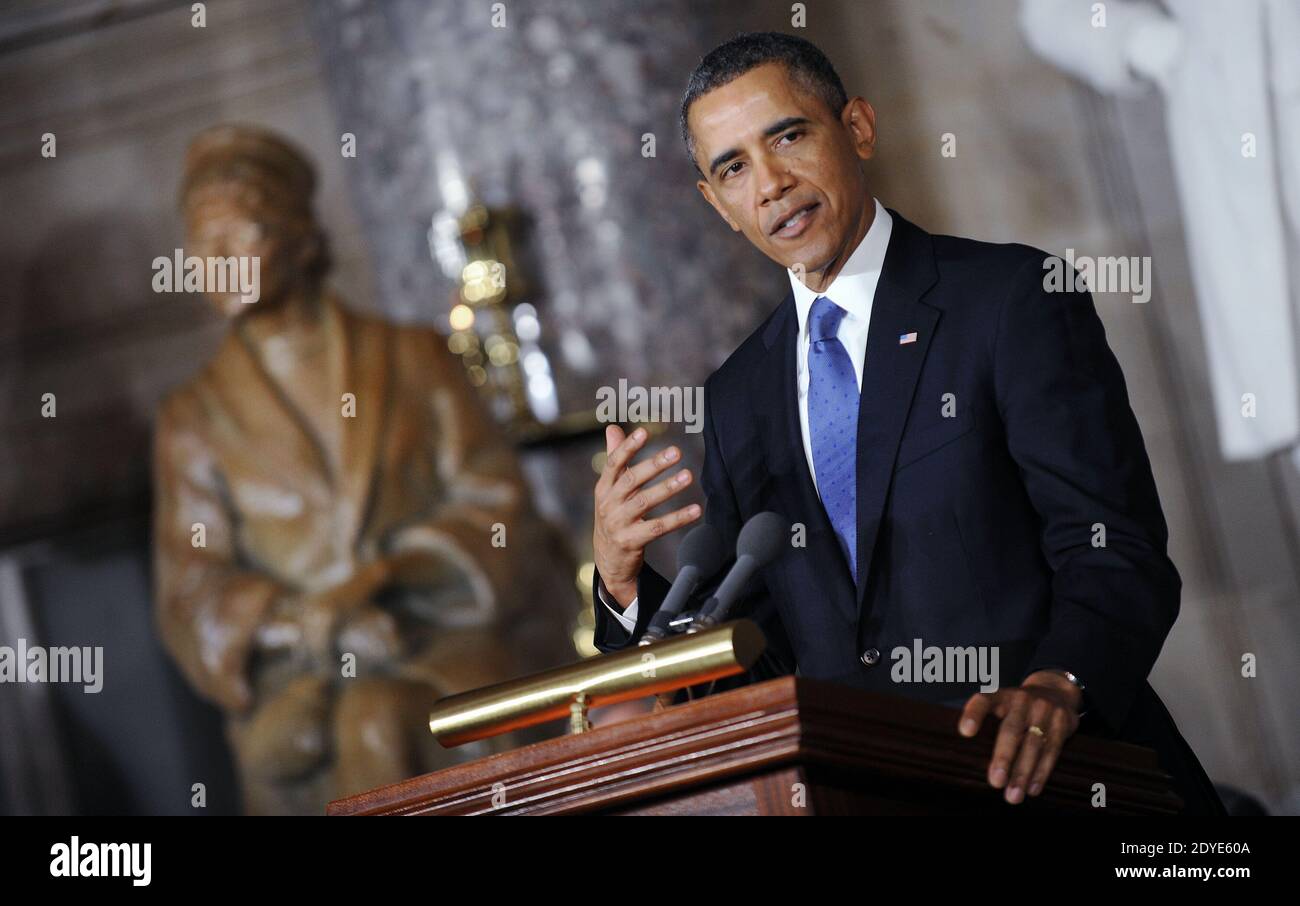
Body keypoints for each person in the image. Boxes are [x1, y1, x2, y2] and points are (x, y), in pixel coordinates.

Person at [590, 32, 1223, 813]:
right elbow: (751, 665)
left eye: (788, 136)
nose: (772, 184)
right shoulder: (736, 397)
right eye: (734, 167)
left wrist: (1060, 684)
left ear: (857, 128)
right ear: (716, 202)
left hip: (1066, 782)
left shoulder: (1009, 299)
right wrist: (622, 584)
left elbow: (1114, 548)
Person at [153, 124, 574, 814]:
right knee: (361, 718)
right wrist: (305, 623)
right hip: (300, 685)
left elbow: (498, 506)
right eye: (201, 245)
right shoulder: (193, 418)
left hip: (443, 648)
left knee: (379, 718)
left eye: (242, 232)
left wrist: (387, 577)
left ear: (298, 233)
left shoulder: (413, 358)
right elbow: (191, 587)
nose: (217, 260)